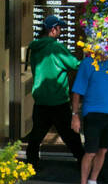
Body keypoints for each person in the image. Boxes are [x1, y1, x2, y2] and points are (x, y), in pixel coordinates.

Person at [22, 14, 84, 169]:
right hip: (58, 99)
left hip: (41, 99)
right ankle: (83, 161)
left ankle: (31, 164)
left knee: (36, 134)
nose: (61, 30)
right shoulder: (56, 47)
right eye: (59, 28)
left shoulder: (34, 48)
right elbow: (75, 64)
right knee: (70, 135)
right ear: (53, 30)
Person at [70, 52, 108, 184]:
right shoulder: (88, 63)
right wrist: (75, 115)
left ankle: (93, 182)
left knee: (103, 150)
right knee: (90, 152)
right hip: (93, 113)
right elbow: (77, 91)